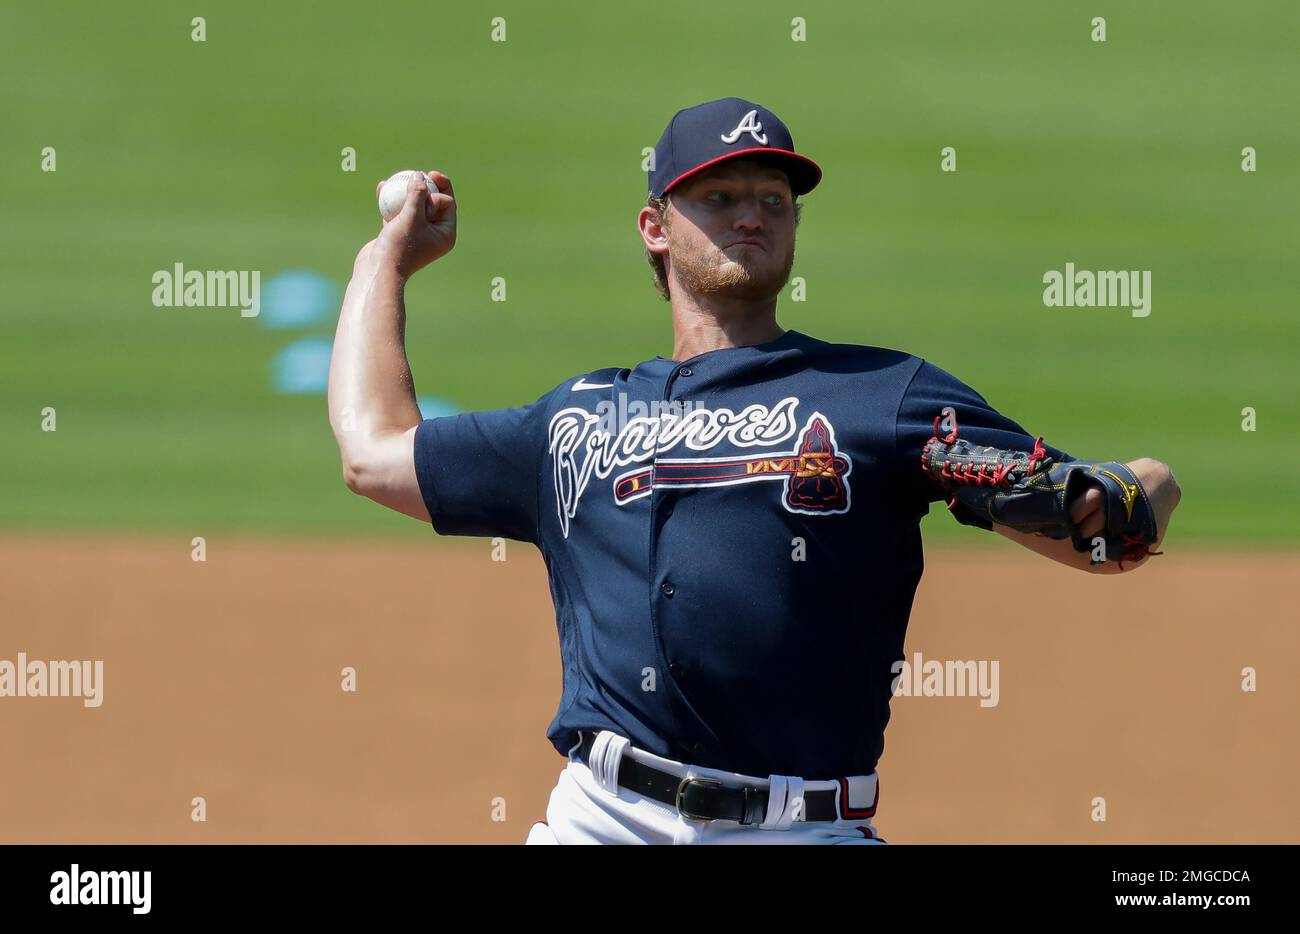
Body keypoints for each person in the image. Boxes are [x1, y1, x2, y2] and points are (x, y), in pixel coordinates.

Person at [326, 97, 1182, 845]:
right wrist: (384, 264)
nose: (753, 216)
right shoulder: (575, 419)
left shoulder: (881, 397)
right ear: (655, 226)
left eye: (774, 200)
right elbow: (373, 452)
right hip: (600, 818)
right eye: (720, 196)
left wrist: (1138, 488)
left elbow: (1095, 527)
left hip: (803, 830)